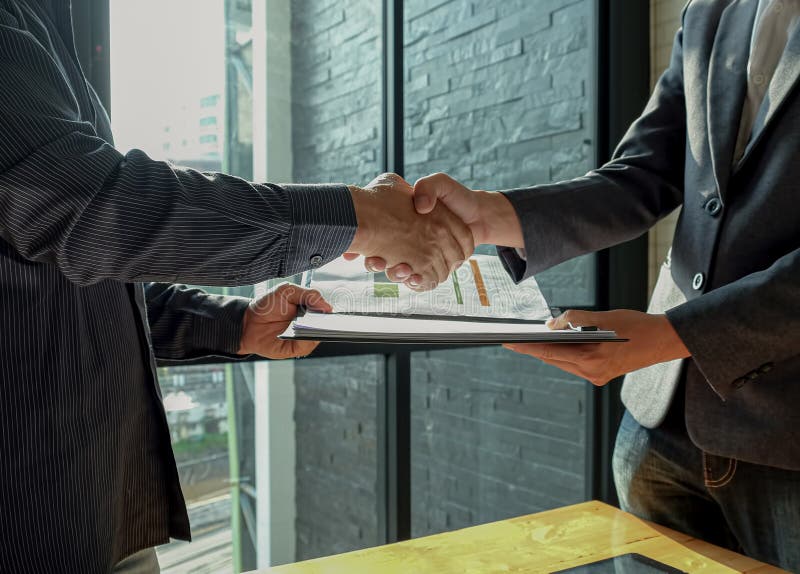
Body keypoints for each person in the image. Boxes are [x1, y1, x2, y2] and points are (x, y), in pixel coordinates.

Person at [0, 1, 472, 572]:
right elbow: (99, 210)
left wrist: (235, 324)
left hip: (95, 512)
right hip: (32, 527)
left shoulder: (39, 25)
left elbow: (80, 279)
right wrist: (363, 217)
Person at [366, 0, 800, 570]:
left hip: (785, 438)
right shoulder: (710, 12)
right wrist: (488, 214)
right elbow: (642, 175)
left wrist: (676, 334)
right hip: (658, 426)